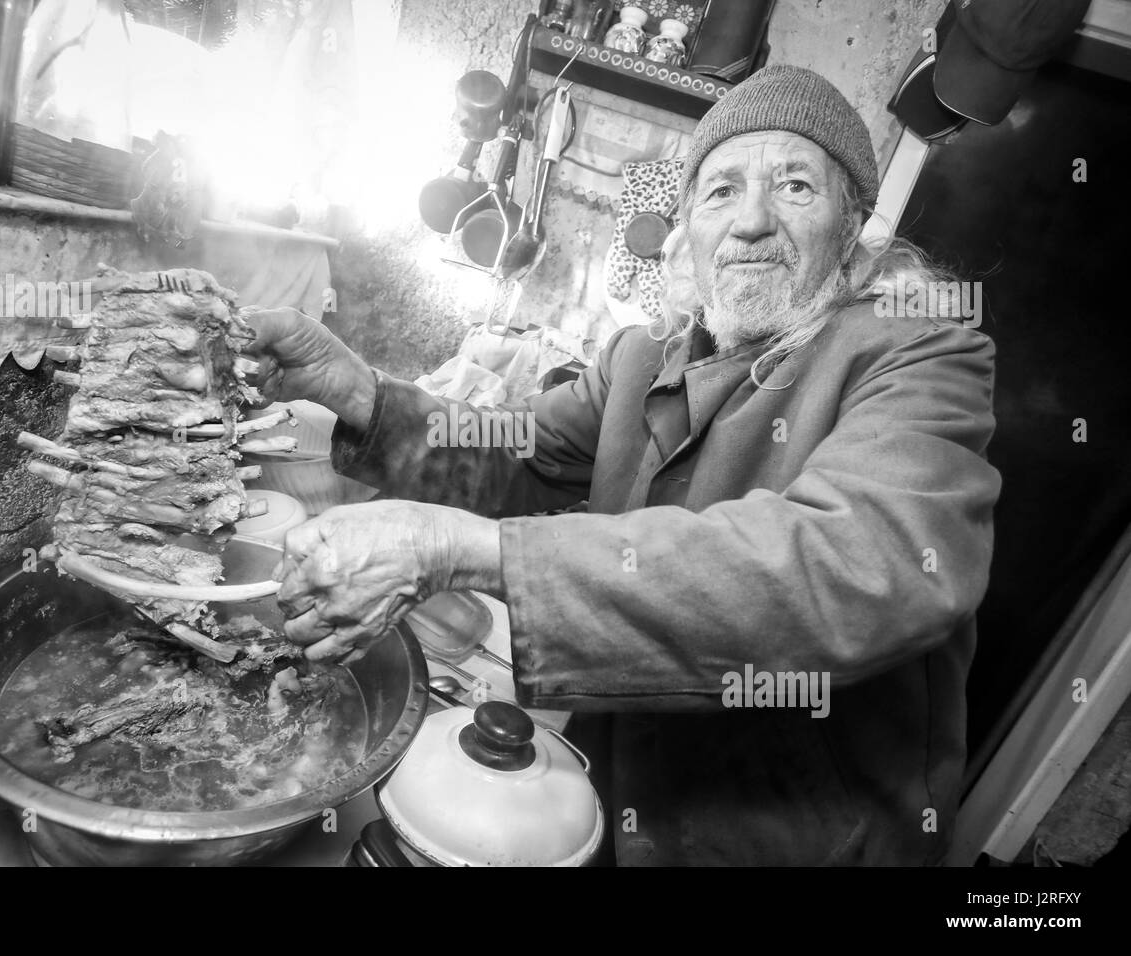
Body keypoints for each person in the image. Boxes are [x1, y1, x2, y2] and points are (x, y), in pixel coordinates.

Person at [244, 64, 1001, 865]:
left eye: (795, 187)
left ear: (852, 229)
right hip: (619, 795)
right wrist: (356, 389)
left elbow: (863, 567)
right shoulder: (644, 357)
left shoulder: (922, 354)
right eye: (719, 191)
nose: (750, 222)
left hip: (792, 835)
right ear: (687, 231)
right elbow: (515, 454)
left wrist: (460, 550)